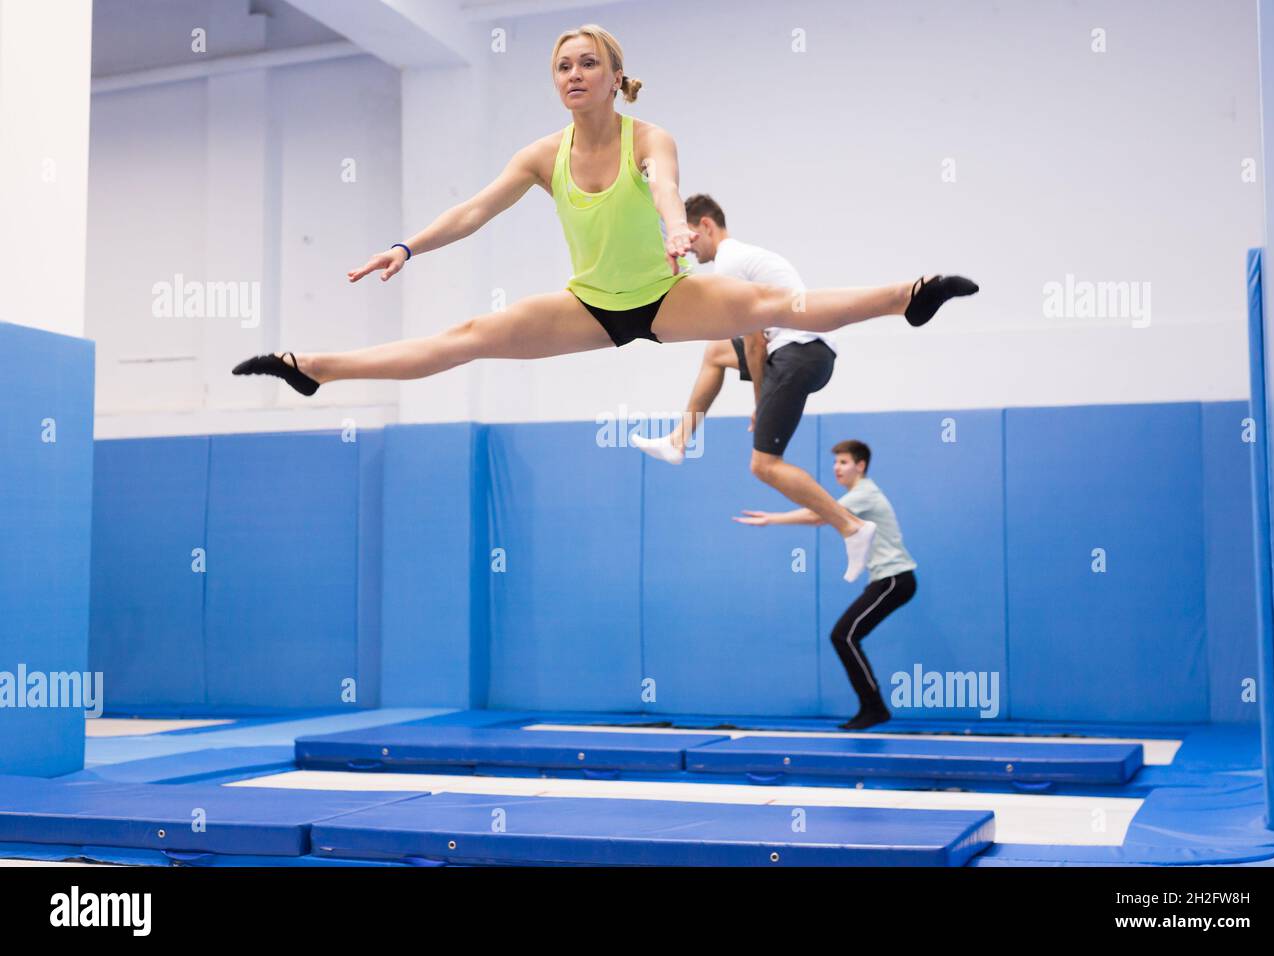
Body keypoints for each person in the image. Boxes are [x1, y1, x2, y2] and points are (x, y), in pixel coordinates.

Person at [232, 24, 977, 409]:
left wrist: (675, 227)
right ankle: (314, 368)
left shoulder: (647, 138)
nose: (574, 75)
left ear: (616, 79)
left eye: (588, 63)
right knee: (465, 339)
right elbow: (474, 210)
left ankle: (908, 296)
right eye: (563, 66)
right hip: (588, 306)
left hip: (669, 297)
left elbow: (662, 182)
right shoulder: (540, 155)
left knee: (783, 307)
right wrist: (408, 246)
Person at [631, 194, 884, 581]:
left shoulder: (730, 266)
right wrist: (761, 400)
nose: (683, 247)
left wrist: (759, 401)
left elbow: (754, 343)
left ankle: (851, 527)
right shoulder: (745, 258)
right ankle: (679, 440)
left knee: (764, 466)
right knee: (716, 351)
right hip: (806, 353)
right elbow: (750, 343)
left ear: (706, 227)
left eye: (687, 236)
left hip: (799, 352)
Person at [735, 439, 916, 730]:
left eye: (843, 462)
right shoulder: (859, 494)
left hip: (895, 580)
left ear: (861, 466)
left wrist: (772, 519)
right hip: (888, 580)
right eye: (835, 462)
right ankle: (873, 706)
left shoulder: (865, 493)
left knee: (844, 636)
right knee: (844, 636)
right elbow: (821, 517)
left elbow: (817, 515)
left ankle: (875, 708)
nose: (837, 468)